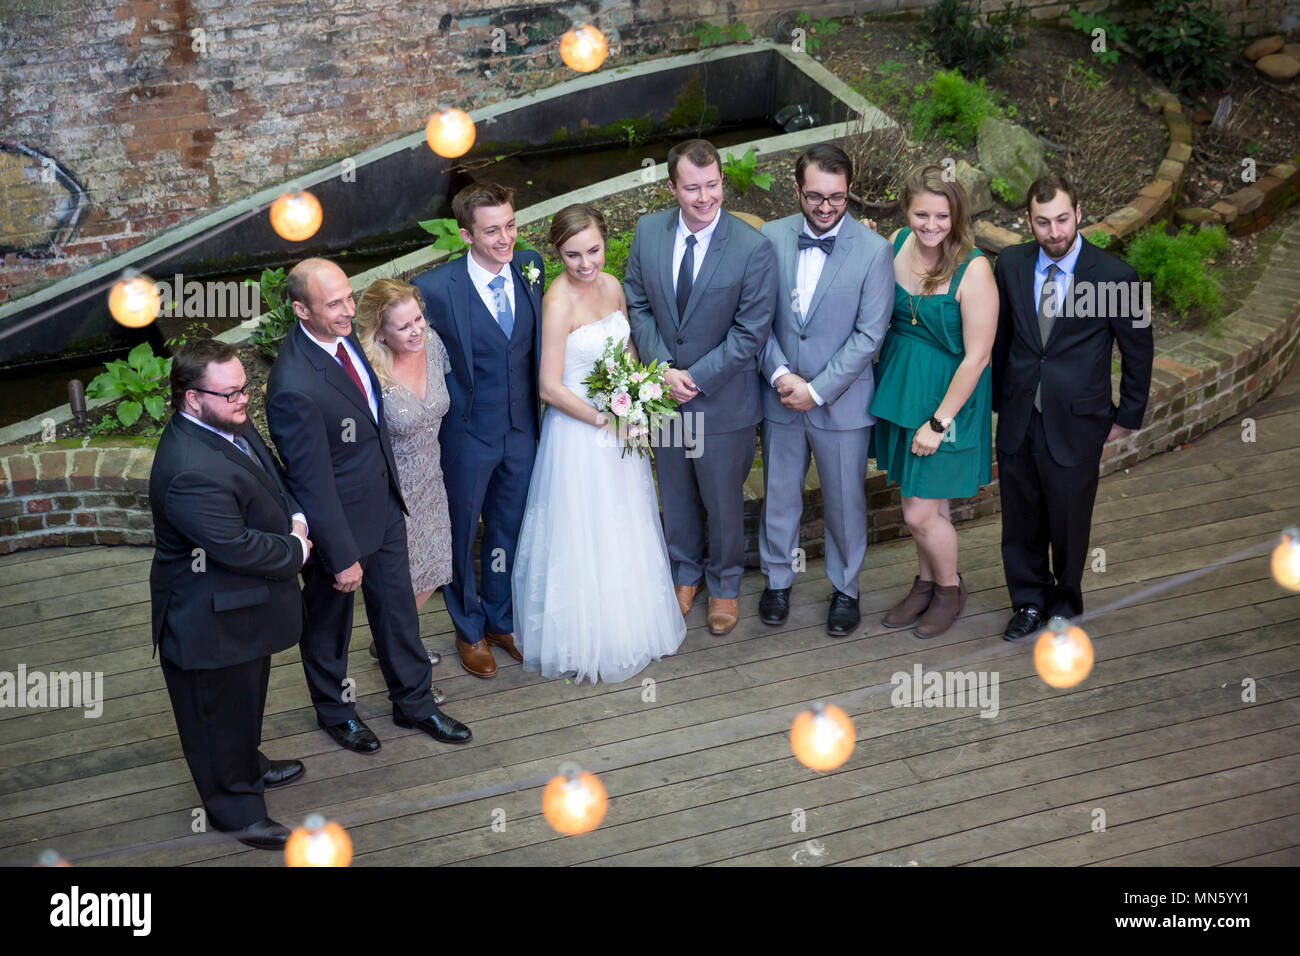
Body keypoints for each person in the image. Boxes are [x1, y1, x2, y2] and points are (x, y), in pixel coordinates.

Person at [266, 258, 471, 752]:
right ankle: (337, 713)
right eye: (333, 303)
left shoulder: (348, 340)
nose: (347, 310)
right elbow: (310, 481)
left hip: (384, 508)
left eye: (348, 298)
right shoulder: (294, 383)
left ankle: (415, 704)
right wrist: (339, 554)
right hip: (337, 527)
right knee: (330, 629)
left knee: (398, 611)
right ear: (301, 310)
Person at [512, 204, 686, 682]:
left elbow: (626, 348)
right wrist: (605, 419)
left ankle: (628, 626)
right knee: (582, 529)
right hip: (578, 435)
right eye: (572, 255)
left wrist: (637, 398)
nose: (586, 264)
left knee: (624, 522)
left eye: (593, 250)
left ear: (605, 242)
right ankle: (583, 636)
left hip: (620, 426)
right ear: (557, 254)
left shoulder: (612, 286)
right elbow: (549, 387)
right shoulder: (557, 301)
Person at [149, 339, 310, 850]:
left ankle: (248, 766)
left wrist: (295, 516)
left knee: (244, 702)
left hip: (242, 609)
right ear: (191, 399)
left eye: (246, 388)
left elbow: (267, 474)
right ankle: (236, 810)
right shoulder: (188, 470)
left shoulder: (226, 420)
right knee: (216, 717)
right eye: (232, 393)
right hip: (208, 620)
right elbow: (236, 547)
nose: (245, 400)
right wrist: (296, 548)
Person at [625, 138, 778, 636]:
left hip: (724, 403)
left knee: (723, 500)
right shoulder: (648, 232)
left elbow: (751, 331)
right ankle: (684, 575)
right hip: (666, 397)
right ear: (673, 187)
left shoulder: (752, 247)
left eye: (712, 185)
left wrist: (698, 377)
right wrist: (662, 367)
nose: (705, 196)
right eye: (693, 188)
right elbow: (637, 302)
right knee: (676, 491)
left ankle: (726, 584)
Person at [992, 174, 1153, 639]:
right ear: (1029, 221)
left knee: (1068, 518)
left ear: (1079, 214)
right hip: (1020, 414)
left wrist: (1128, 415)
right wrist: (1000, 400)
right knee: (1020, 516)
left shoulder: (1117, 275)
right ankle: (1026, 601)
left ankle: (1064, 602)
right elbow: (1003, 341)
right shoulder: (1011, 264)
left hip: (1079, 420)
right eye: (1043, 223)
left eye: (1062, 219)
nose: (1054, 232)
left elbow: (1139, 350)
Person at [756, 144, 894, 637]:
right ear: (797, 190)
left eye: (836, 197)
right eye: (814, 196)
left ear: (849, 191)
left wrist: (816, 390)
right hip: (780, 395)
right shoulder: (769, 238)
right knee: (779, 496)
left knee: (844, 503)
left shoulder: (875, 251)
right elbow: (756, 318)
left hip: (842, 402)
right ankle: (777, 581)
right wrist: (778, 375)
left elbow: (870, 334)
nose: (825, 206)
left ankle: (845, 589)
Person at [411, 183, 544, 678]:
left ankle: (499, 618)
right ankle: (468, 630)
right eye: (492, 231)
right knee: (462, 534)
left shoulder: (532, 268)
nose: (506, 238)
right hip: (467, 437)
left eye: (510, 225)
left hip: (521, 432)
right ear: (466, 234)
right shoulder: (436, 289)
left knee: (506, 530)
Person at [871, 165, 998, 638]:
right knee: (926, 504)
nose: (930, 225)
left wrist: (940, 423)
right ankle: (924, 583)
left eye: (941, 216)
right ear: (906, 211)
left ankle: (949, 588)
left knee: (918, 512)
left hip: (947, 401)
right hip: (904, 390)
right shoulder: (899, 241)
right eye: (921, 213)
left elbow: (978, 355)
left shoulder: (974, 268)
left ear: (957, 216)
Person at [354, 277, 454, 703]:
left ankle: (391, 643)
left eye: (418, 318)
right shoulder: (367, 372)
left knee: (432, 571)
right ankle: (406, 670)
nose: (416, 331)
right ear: (380, 332)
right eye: (403, 326)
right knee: (399, 586)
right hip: (392, 491)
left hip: (433, 480)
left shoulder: (431, 344)